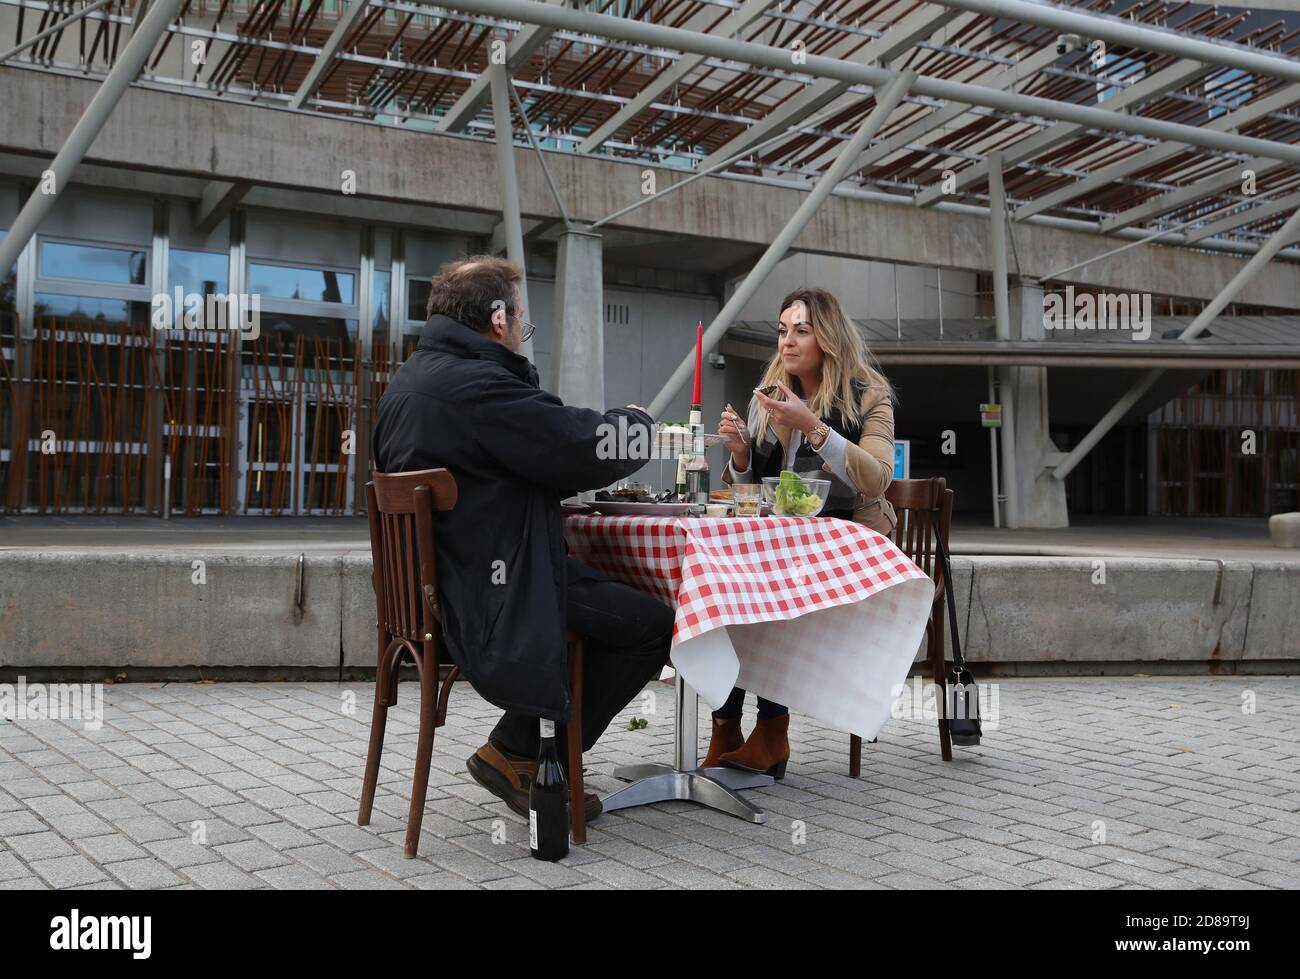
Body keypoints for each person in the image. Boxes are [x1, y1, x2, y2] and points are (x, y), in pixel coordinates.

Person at [372, 256, 673, 823]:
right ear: (498, 320)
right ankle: (523, 754)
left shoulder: (406, 384)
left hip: (429, 597)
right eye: (521, 320)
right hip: (495, 595)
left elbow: (519, 462)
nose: (520, 334)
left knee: (601, 602)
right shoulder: (479, 388)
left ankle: (515, 750)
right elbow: (581, 447)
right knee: (649, 624)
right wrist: (635, 422)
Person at [707, 286, 897, 779]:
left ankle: (771, 730)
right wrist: (742, 455)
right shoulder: (773, 392)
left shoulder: (868, 394)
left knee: (763, 591)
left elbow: (877, 478)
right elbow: (762, 494)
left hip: (852, 547)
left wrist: (814, 425)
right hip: (785, 546)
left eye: (802, 331)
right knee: (725, 586)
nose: (787, 342)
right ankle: (727, 727)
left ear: (828, 338)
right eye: (782, 330)